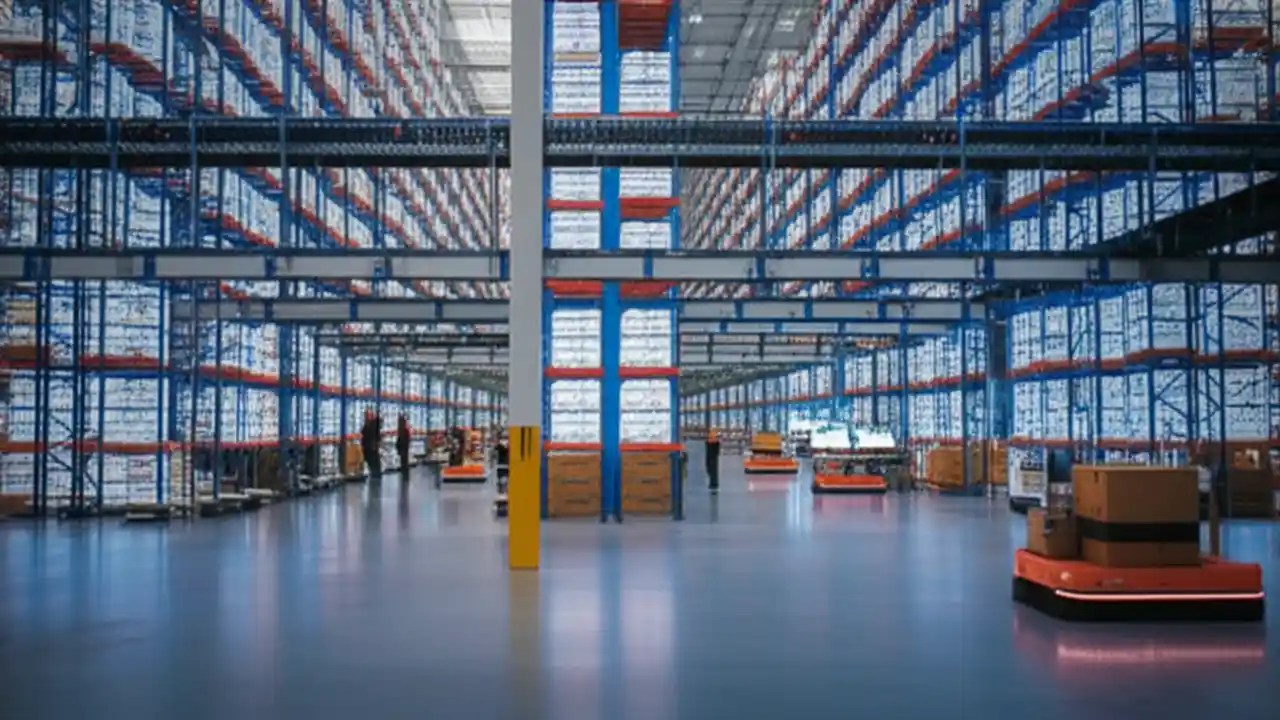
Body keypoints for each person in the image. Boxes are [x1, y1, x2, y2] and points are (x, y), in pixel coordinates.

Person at [360, 409, 383, 480]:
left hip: (371, 448)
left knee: (374, 463)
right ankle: (375, 476)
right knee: (374, 464)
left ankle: (375, 476)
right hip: (370, 448)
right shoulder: (369, 425)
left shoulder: (372, 425)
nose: (365, 417)